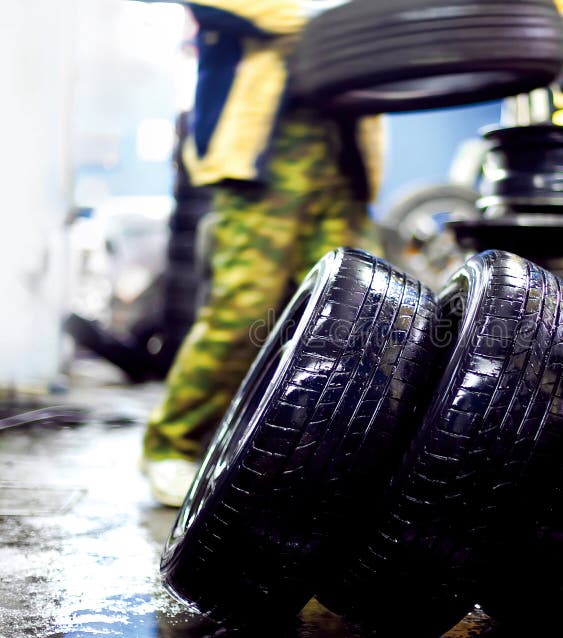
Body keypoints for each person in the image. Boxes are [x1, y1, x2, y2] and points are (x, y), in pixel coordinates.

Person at [141, 0, 383, 506]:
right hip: (261, 163)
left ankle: (314, 460)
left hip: (342, 162)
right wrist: (339, 17)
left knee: (361, 318)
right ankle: (173, 445)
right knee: (246, 309)